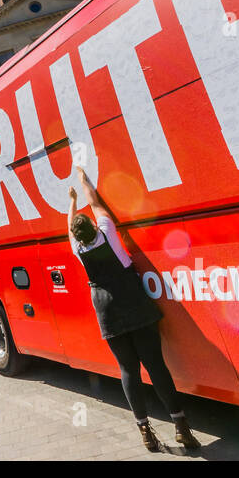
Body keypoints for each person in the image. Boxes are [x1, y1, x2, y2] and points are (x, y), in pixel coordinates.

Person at [68, 165, 200, 452]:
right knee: (156, 365)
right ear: (93, 227)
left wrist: (71, 202)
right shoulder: (106, 233)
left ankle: (145, 433)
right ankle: (181, 427)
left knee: (128, 370)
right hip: (134, 304)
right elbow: (97, 203)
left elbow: (71, 226)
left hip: (107, 311)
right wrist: (83, 180)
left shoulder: (78, 250)